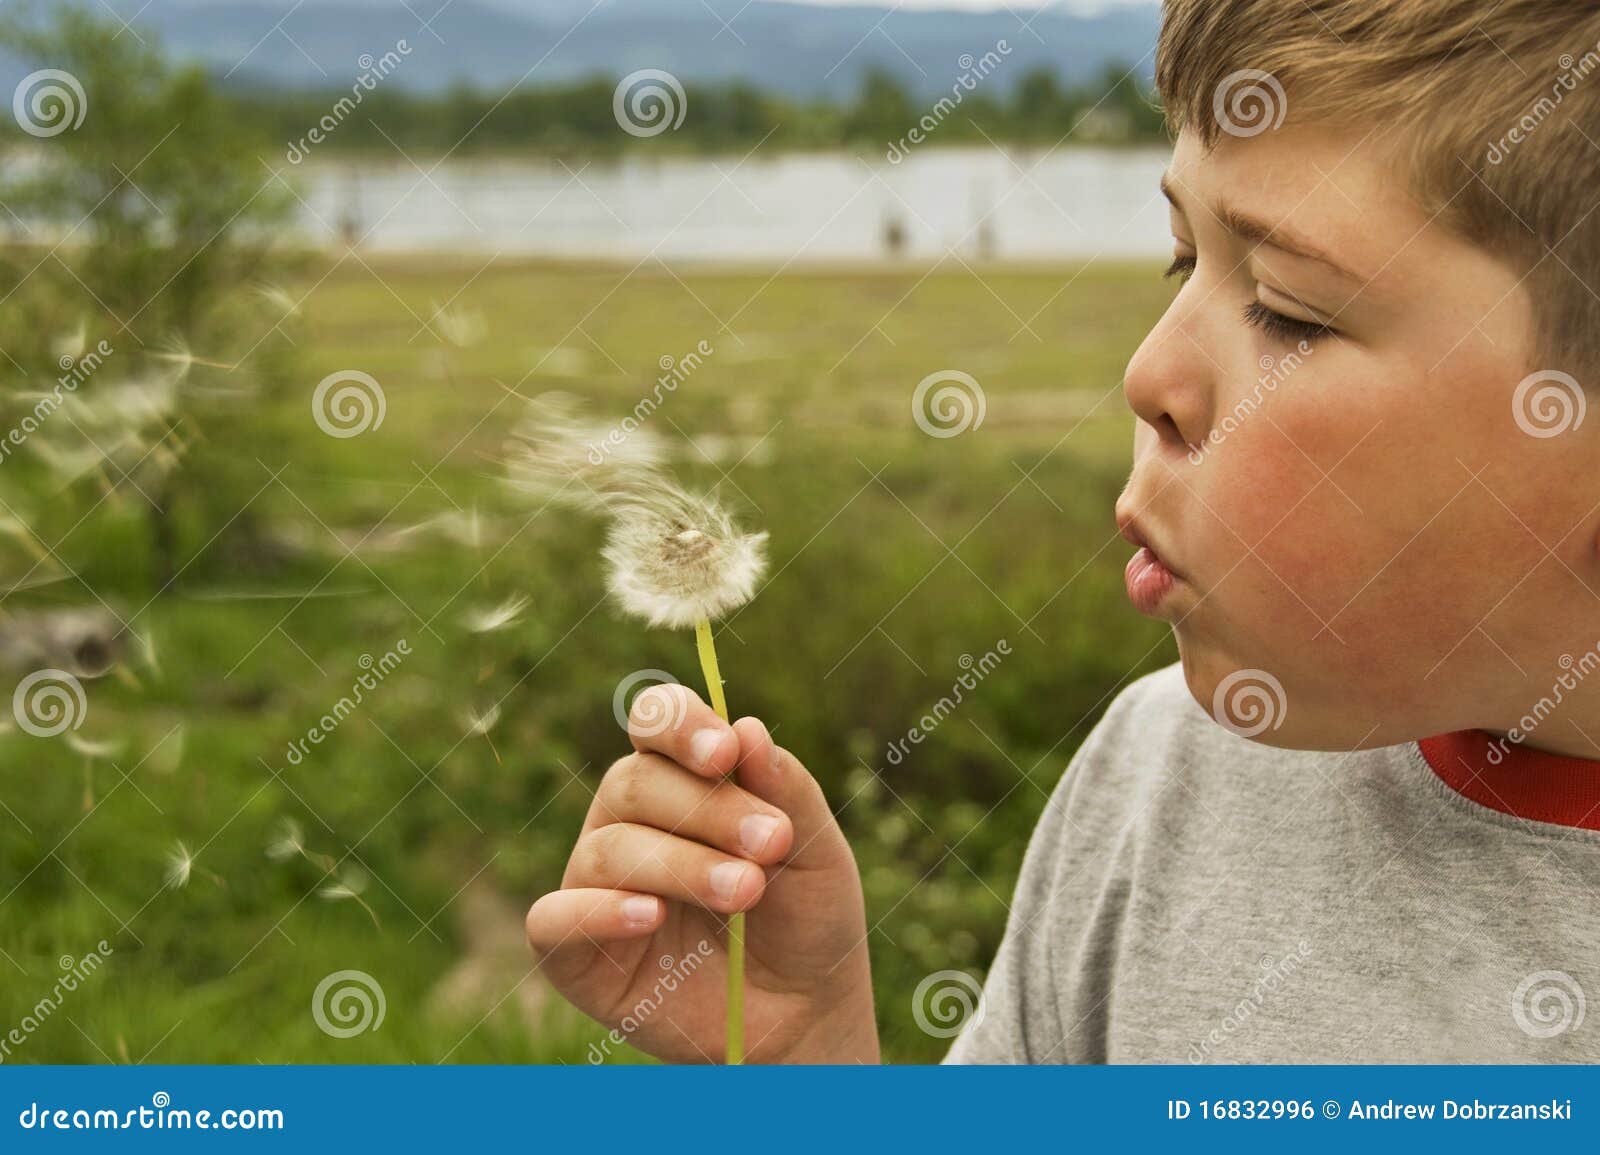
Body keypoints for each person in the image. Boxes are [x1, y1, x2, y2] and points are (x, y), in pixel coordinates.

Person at [526, 0, 1600, 1062]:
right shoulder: (1157, 776)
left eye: (1287, 310)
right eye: (1181, 257)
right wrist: (805, 1065)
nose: (1149, 374)